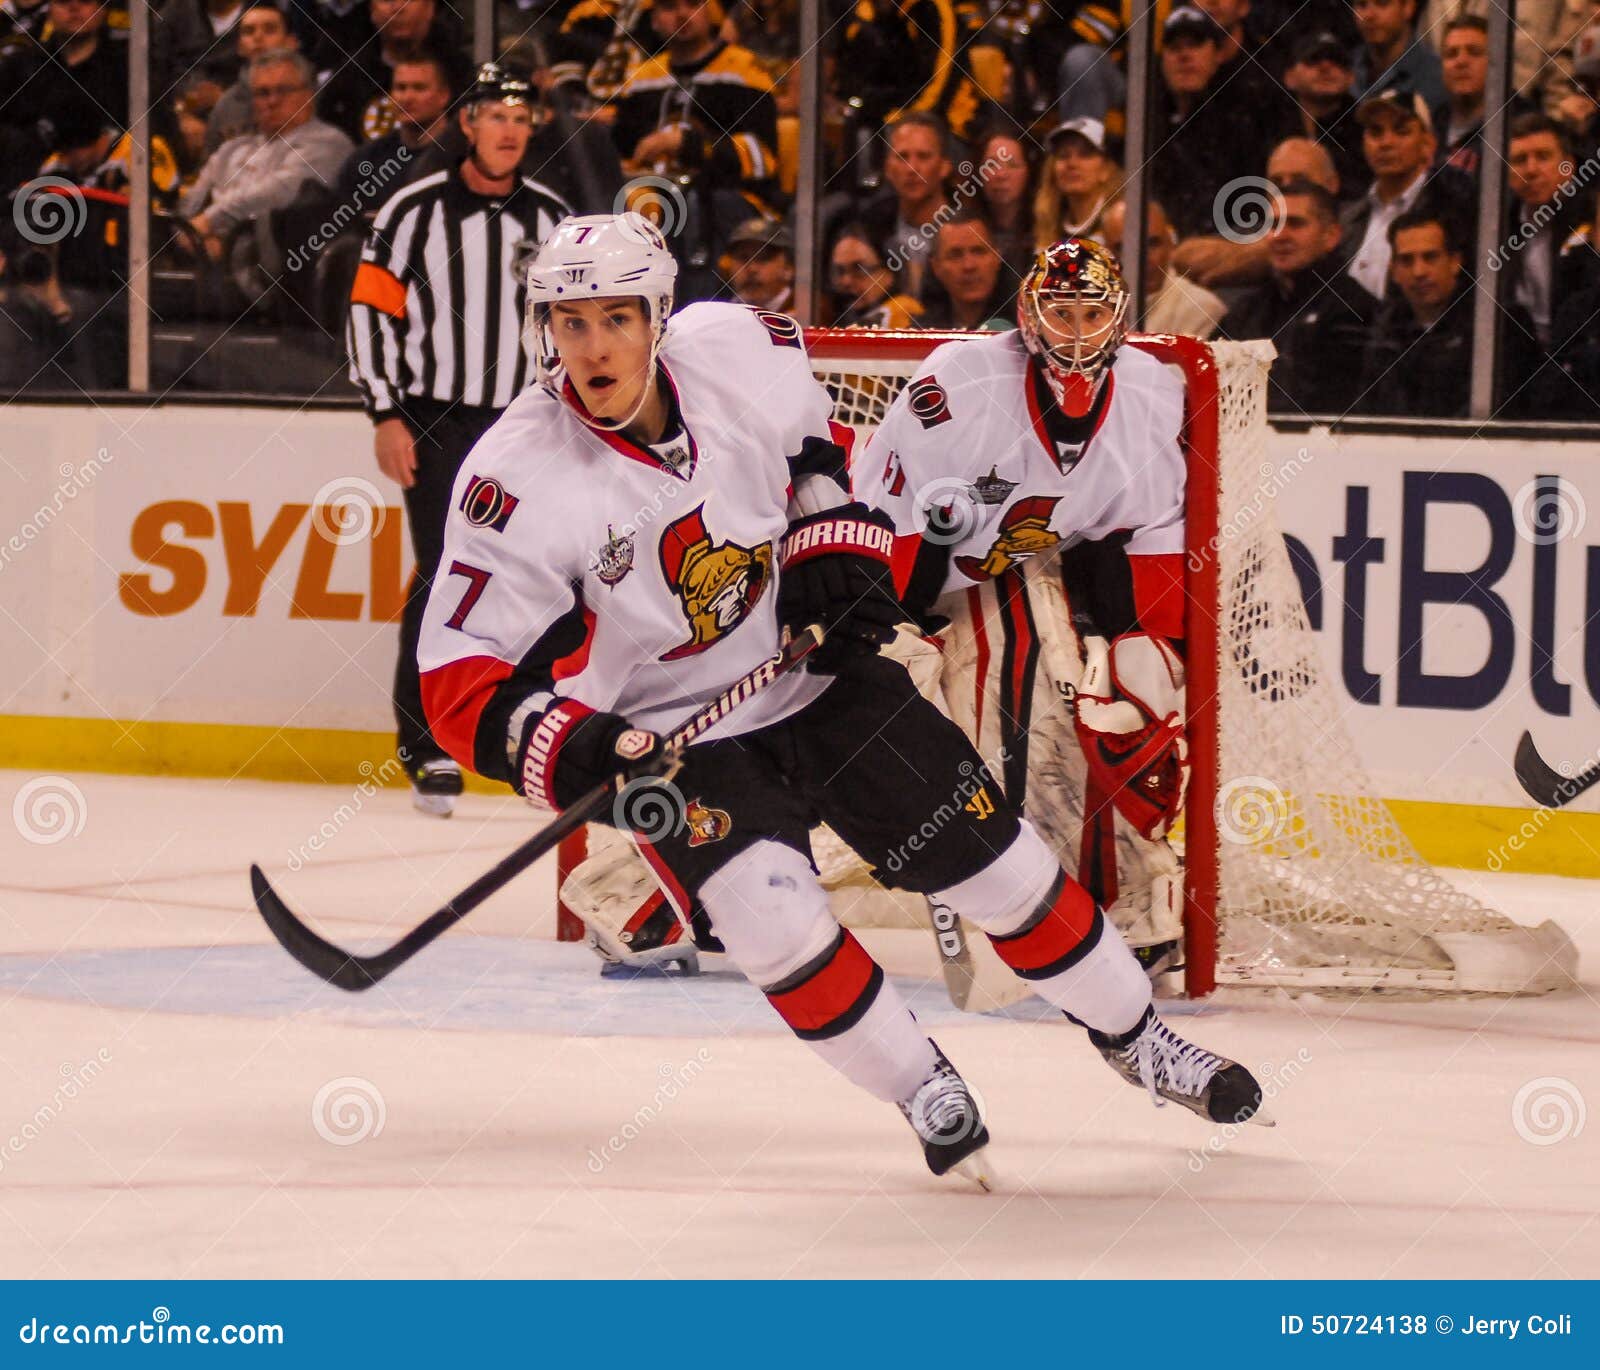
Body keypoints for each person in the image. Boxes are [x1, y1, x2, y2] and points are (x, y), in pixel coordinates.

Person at [417, 213, 1266, 1183]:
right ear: (543, 331)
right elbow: (457, 677)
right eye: (570, 322)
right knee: (770, 918)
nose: (594, 346)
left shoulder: (731, 347)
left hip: (811, 676)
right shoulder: (513, 476)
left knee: (996, 863)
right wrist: (583, 744)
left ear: (658, 317)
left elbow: (812, 451)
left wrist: (833, 547)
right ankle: (918, 1082)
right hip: (676, 742)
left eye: (616, 317)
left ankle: (1137, 1036)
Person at [854, 238, 1219, 983]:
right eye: (1061, 313)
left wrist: (1133, 654)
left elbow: (1126, 534)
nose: (1077, 332)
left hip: (1026, 563)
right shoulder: (961, 385)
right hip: (904, 566)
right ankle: (665, 890)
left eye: (1092, 313)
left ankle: (1108, 905)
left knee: (1081, 708)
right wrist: (890, 622)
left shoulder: (1150, 393)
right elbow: (896, 518)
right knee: (862, 738)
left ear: (1118, 318)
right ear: (1027, 316)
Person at [346, 64, 572, 815]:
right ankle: (424, 743)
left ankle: (527, 727)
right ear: (466, 124)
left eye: (521, 115)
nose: (509, 128)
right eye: (494, 114)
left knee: (546, 574)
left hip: (526, 425)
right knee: (445, 570)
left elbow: (577, 321)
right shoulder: (410, 212)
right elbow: (372, 313)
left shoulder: (553, 219)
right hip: (435, 417)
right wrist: (384, 411)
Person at [611, 0, 778, 297]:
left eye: (693, 4)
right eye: (669, 6)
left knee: (693, 208)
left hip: (728, 197)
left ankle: (694, 315)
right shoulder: (641, 79)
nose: (682, 14)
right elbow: (621, 155)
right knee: (622, 206)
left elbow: (762, 157)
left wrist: (686, 145)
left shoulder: (745, 70)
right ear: (653, 20)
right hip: (655, 196)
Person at [1359, 207, 1537, 416]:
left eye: (1430, 257)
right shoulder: (1383, 329)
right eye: (1407, 260)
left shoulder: (1498, 323)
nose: (1419, 272)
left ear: (1455, 262)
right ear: (1394, 271)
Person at [1220, 179, 1377, 415]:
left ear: (1331, 235)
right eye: (1274, 225)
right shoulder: (1246, 311)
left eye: (1295, 224)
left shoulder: (1356, 309)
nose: (1280, 236)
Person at [177, 51, 352, 262]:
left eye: (283, 90)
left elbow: (279, 192)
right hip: (208, 266)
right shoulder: (231, 149)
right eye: (262, 93)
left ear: (309, 95)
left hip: (287, 271)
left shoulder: (329, 143)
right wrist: (190, 236)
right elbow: (189, 205)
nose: (272, 101)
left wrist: (210, 222)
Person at [1340, 84, 1472, 302]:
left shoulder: (1450, 211)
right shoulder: (1348, 217)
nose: (1386, 143)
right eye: (1376, 132)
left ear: (1428, 144)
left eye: (1401, 131)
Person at [860, 111, 954, 302]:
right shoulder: (869, 231)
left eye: (923, 156)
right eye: (902, 157)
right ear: (888, 168)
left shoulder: (969, 230)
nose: (912, 169)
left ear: (944, 166)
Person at [1100, 197, 1227, 338]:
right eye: (1124, 248)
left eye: (1153, 244)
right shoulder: (1090, 306)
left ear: (1170, 243)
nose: (1143, 258)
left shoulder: (1202, 308)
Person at [206, 3, 300, 153]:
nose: (258, 37)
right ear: (240, 47)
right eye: (249, 31)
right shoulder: (225, 106)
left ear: (291, 42)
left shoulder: (312, 96)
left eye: (269, 30)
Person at [1032, 116, 1120, 249]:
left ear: (1106, 169)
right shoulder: (1047, 228)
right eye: (1063, 155)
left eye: (1085, 154)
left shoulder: (1123, 224)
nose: (1072, 164)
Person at [917, 213, 1012, 328]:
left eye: (978, 251)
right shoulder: (921, 333)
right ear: (936, 266)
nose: (969, 266)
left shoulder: (1026, 329)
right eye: (955, 255)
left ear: (997, 256)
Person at [1350, 0, 1444, 111]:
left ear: (1408, 7)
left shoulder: (1437, 76)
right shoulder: (1345, 66)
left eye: (1382, 4)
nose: (1369, 15)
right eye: (1362, 5)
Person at [826, 223, 923, 328]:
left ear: (890, 271)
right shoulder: (840, 318)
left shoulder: (905, 315)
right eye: (840, 271)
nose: (846, 281)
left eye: (859, 269)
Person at [720, 215, 795, 310]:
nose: (752, 269)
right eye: (743, 258)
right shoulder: (720, 314)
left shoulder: (812, 313)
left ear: (788, 268)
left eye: (763, 258)